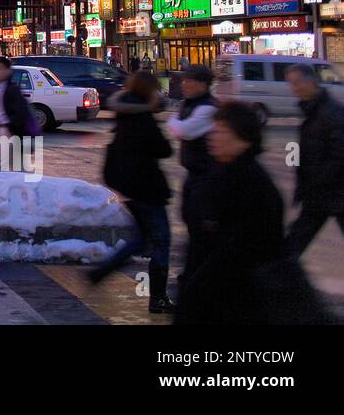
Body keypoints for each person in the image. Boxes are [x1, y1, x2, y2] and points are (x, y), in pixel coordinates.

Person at [175, 104, 333, 324]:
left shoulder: (248, 182)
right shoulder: (220, 172)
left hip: (236, 296)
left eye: (221, 130)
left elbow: (235, 250)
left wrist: (194, 292)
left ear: (243, 138)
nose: (212, 135)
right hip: (217, 291)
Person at [87, 71, 175, 313]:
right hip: (147, 188)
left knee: (143, 239)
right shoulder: (142, 117)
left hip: (129, 187)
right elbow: (164, 149)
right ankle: (158, 298)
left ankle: (100, 272)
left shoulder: (125, 112)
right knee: (161, 241)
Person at [165, 63, 218, 290]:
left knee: (201, 231)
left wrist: (175, 122)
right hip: (195, 175)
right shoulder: (192, 104)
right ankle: (194, 276)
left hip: (207, 178)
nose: (184, 85)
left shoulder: (208, 108)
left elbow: (182, 130)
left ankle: (196, 279)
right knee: (192, 226)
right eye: (184, 80)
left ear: (204, 85)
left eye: (190, 81)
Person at [284, 64, 344, 257]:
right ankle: (277, 282)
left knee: (293, 245)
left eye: (298, 83)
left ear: (312, 82)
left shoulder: (330, 112)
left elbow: (339, 154)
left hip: (331, 192)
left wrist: (318, 180)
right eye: (291, 84)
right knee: (293, 245)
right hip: (320, 193)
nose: (295, 88)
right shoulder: (314, 111)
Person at [0, 57, 36, 137]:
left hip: (12, 135)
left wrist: (11, 130)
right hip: (5, 133)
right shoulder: (3, 88)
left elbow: (18, 115)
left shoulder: (12, 90)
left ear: (8, 71)